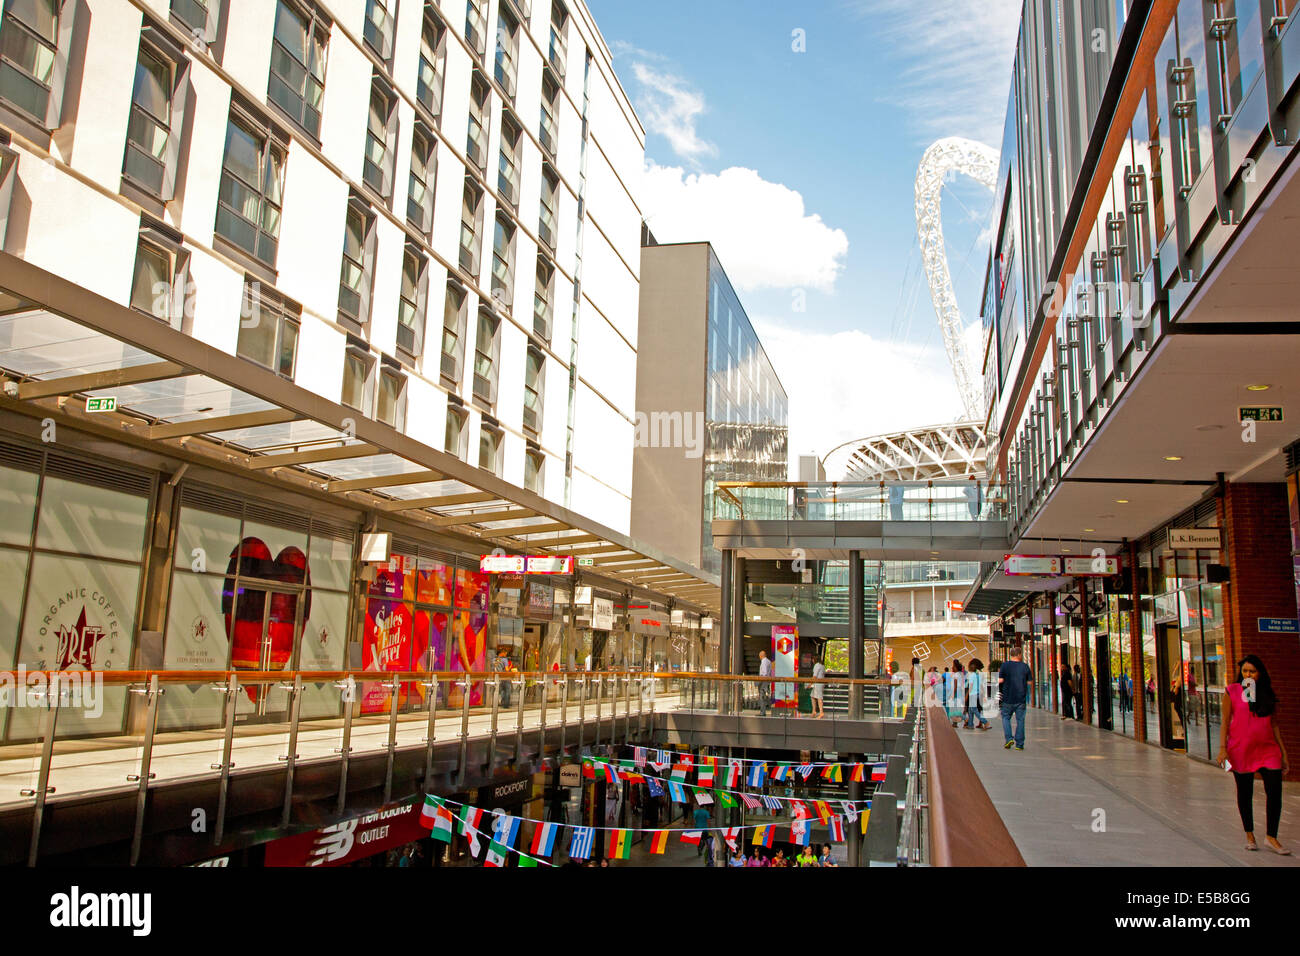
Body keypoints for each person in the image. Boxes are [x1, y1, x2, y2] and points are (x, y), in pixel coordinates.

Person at [1217, 655, 1290, 855]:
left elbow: (1274, 725)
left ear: (1260, 673)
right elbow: (1225, 721)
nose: (1247, 675)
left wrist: (1283, 753)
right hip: (1240, 748)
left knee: (1275, 792)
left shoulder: (1266, 693)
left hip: (1268, 749)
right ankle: (1250, 835)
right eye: (1245, 671)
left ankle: (1271, 837)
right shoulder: (1231, 691)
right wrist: (1223, 748)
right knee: (1244, 791)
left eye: (1252, 671)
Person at [998, 645, 1032, 750]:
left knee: (1005, 718)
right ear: (1019, 654)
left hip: (1007, 697)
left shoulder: (1005, 665)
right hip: (1020, 699)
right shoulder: (1025, 666)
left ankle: (1009, 739)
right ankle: (1020, 744)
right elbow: (1030, 682)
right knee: (1020, 720)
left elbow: (1000, 681)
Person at [963, 659, 991, 730]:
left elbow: (971, 686)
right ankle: (970, 724)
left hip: (973, 694)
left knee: (974, 709)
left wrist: (966, 696)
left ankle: (985, 722)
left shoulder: (972, 675)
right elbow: (981, 685)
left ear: (971, 668)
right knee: (970, 710)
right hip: (978, 694)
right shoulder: (977, 675)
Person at [947, 661, 966, 726]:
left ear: (956, 668)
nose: (952, 668)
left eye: (953, 666)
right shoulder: (960, 674)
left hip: (955, 693)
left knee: (954, 708)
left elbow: (955, 685)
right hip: (959, 693)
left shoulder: (956, 675)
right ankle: (955, 722)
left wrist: (952, 694)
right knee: (956, 708)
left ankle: (965, 719)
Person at [758, 649, 773, 716]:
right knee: (764, 695)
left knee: (762, 696)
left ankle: (762, 712)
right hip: (767, 681)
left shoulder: (763, 662)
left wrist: (760, 680)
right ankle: (764, 710)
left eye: (759, 656)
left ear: (761, 656)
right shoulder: (769, 661)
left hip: (763, 681)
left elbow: (764, 673)